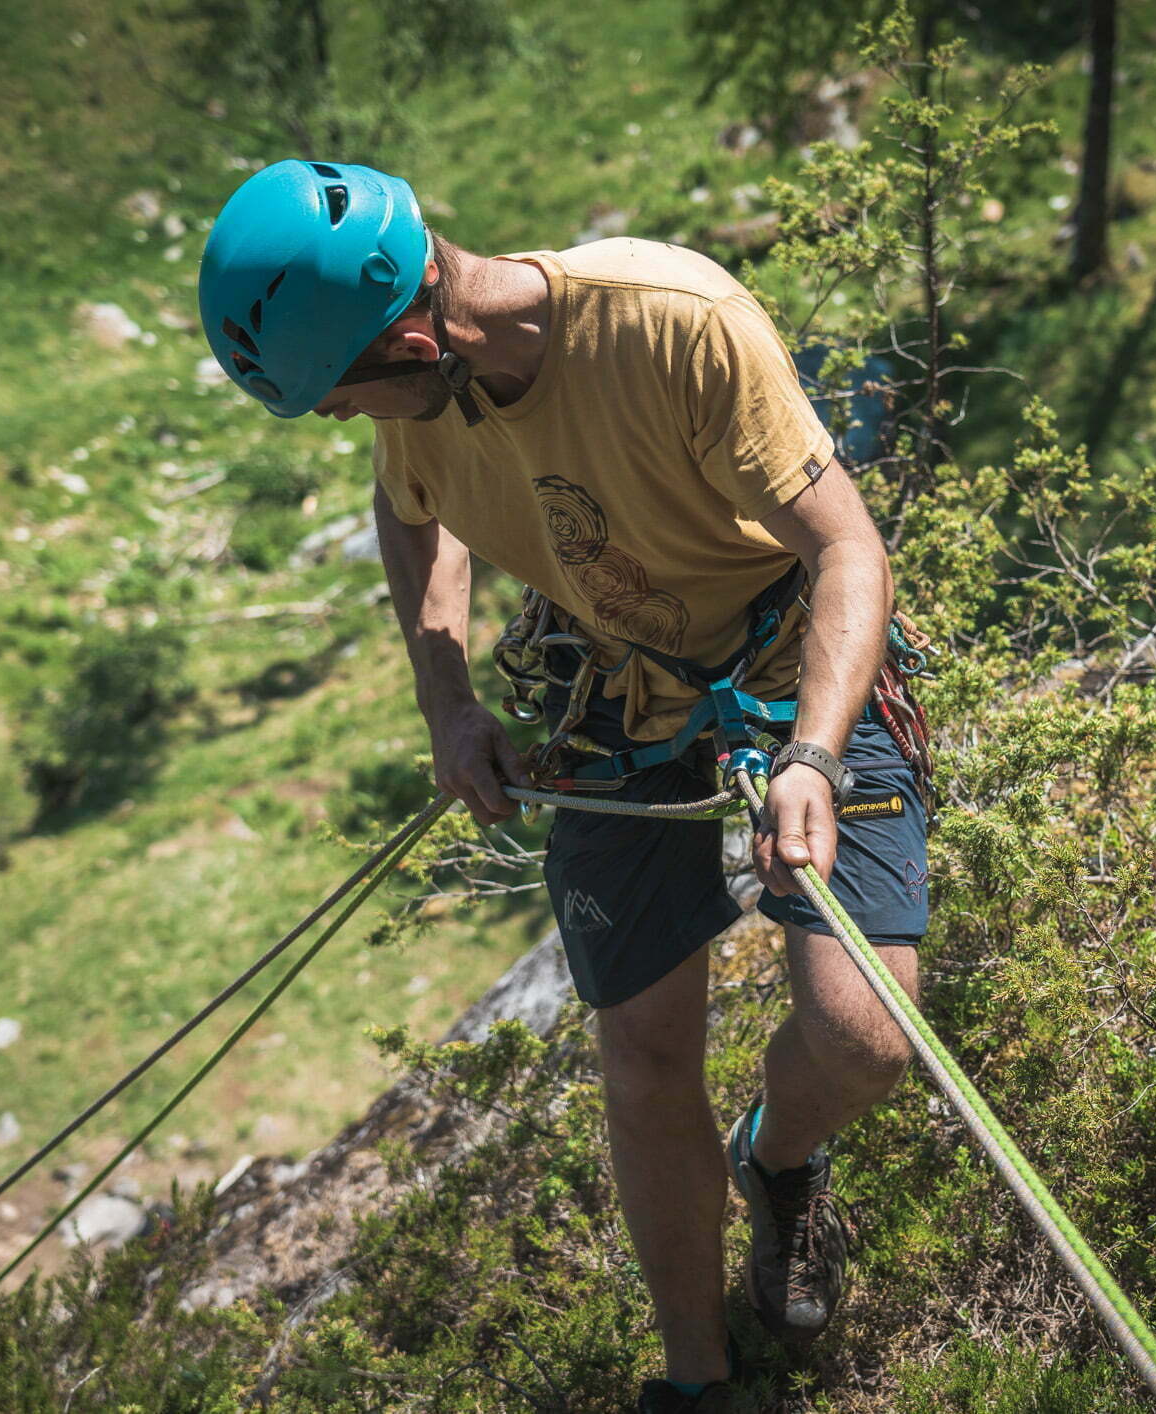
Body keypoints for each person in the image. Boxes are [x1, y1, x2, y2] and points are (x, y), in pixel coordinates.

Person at [201, 160, 930, 1413]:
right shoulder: (417, 398)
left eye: (341, 398)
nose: (343, 423)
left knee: (864, 1038)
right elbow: (408, 513)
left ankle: (779, 1155)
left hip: (788, 653)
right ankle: (696, 1380)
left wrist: (810, 752)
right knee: (645, 1051)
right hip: (610, 688)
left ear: (417, 334)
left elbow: (843, 544)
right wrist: (447, 703)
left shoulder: (671, 326)